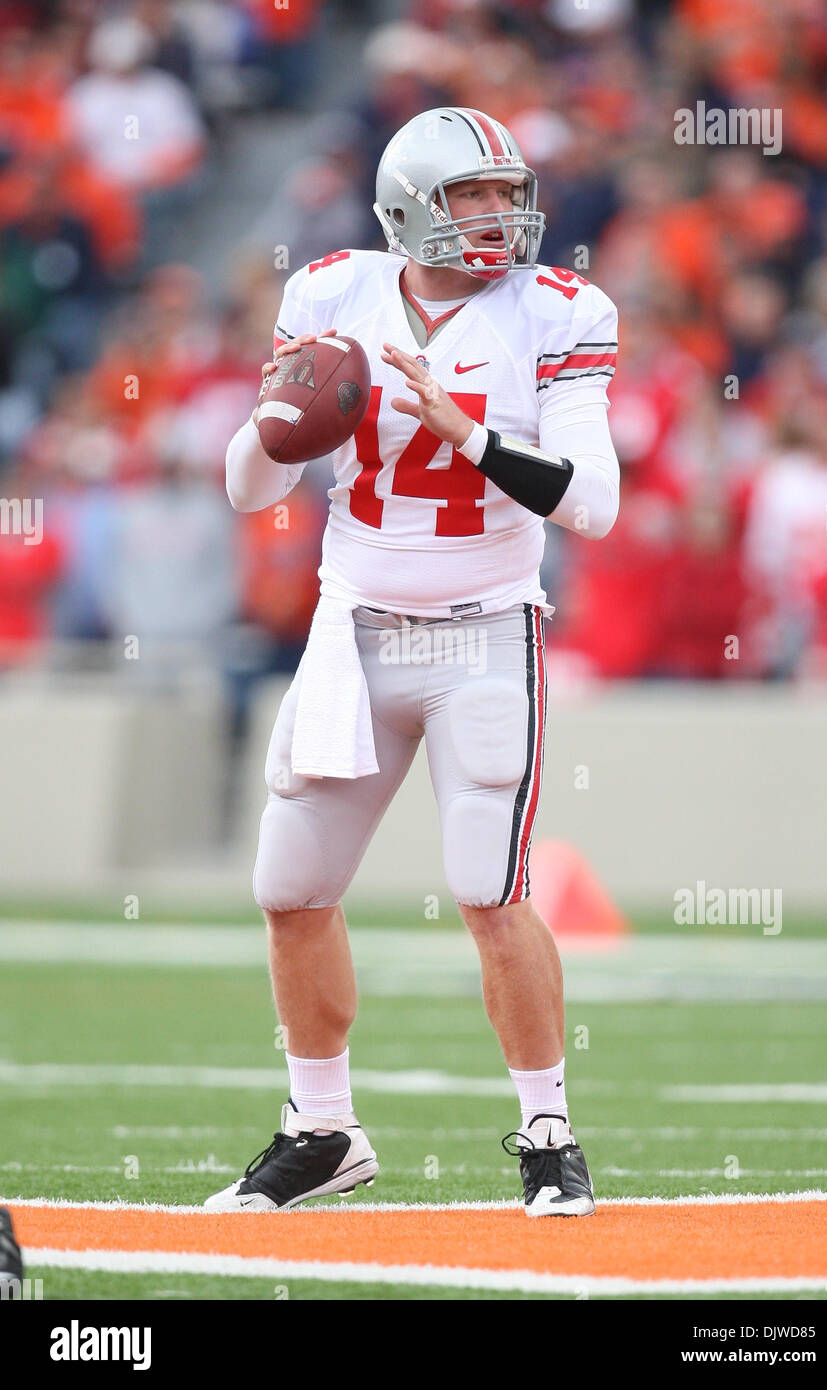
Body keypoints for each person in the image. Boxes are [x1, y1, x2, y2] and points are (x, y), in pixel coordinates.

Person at [208, 107, 620, 1218]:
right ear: (408, 205)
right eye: (470, 197)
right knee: (289, 890)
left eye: (506, 193)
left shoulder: (557, 311)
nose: (498, 216)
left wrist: (469, 433)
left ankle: (546, 1136)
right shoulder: (332, 289)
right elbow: (250, 489)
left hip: (484, 629)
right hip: (352, 628)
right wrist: (277, 421)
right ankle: (321, 1128)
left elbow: (591, 500)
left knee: (489, 887)